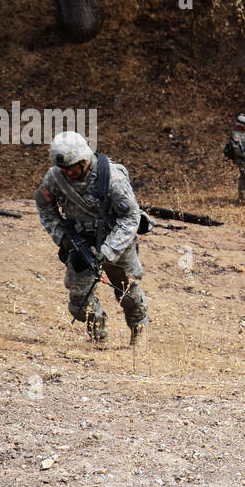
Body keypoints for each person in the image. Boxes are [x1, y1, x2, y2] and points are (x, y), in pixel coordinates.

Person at [35, 131, 148, 347]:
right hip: (81, 244)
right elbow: (44, 207)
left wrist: (108, 251)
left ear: (84, 160)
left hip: (116, 242)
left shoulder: (112, 177)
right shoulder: (55, 177)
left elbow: (130, 217)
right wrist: (63, 238)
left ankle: (139, 331)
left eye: (73, 168)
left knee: (128, 293)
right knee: (78, 302)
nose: (68, 172)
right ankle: (99, 335)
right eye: (64, 169)